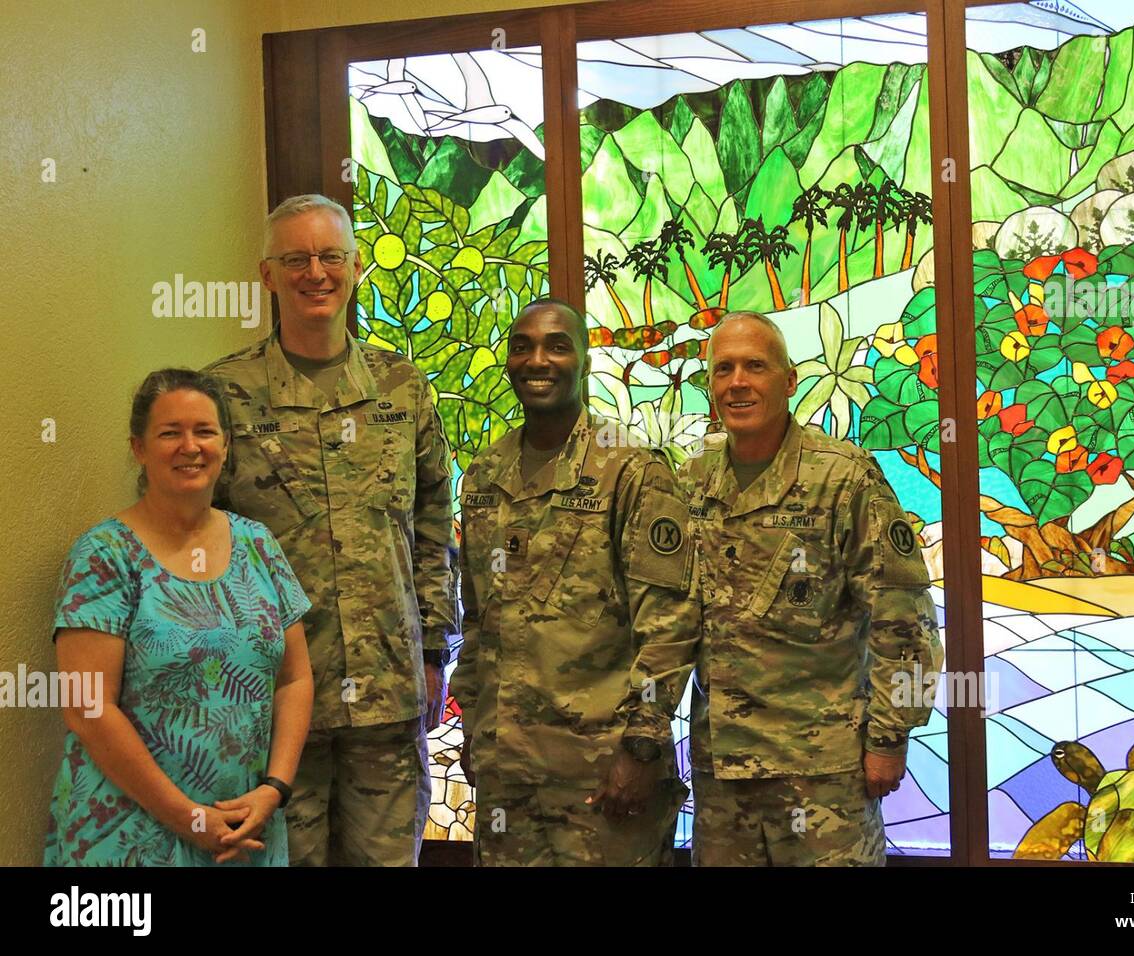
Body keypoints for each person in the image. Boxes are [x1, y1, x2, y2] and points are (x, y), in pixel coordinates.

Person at [204, 194, 459, 866]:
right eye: (296, 259)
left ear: (355, 269)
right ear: (267, 274)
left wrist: (435, 651)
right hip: (273, 699)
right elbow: (187, 542)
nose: (314, 273)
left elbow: (435, 526)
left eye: (330, 257)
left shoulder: (402, 388)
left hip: (387, 688)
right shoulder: (223, 397)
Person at [677, 311, 944, 867]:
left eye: (755, 366)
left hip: (824, 774)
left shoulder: (843, 477)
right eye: (723, 369)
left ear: (790, 381)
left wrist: (890, 736)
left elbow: (906, 614)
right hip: (722, 772)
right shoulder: (692, 479)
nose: (738, 382)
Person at [453, 298, 699, 866]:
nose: (538, 359)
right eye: (523, 346)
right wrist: (472, 724)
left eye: (557, 345)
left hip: (601, 772)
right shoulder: (486, 474)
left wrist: (642, 747)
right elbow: (478, 616)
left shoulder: (631, 469)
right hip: (506, 769)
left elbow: (670, 622)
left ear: (585, 361)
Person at [45, 369, 314, 866]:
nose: (190, 446)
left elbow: (294, 678)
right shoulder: (104, 556)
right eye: (170, 433)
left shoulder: (258, 544)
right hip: (130, 835)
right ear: (139, 449)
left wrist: (275, 788)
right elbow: (87, 709)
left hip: (244, 832)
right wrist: (189, 818)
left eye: (204, 431)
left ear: (225, 445)